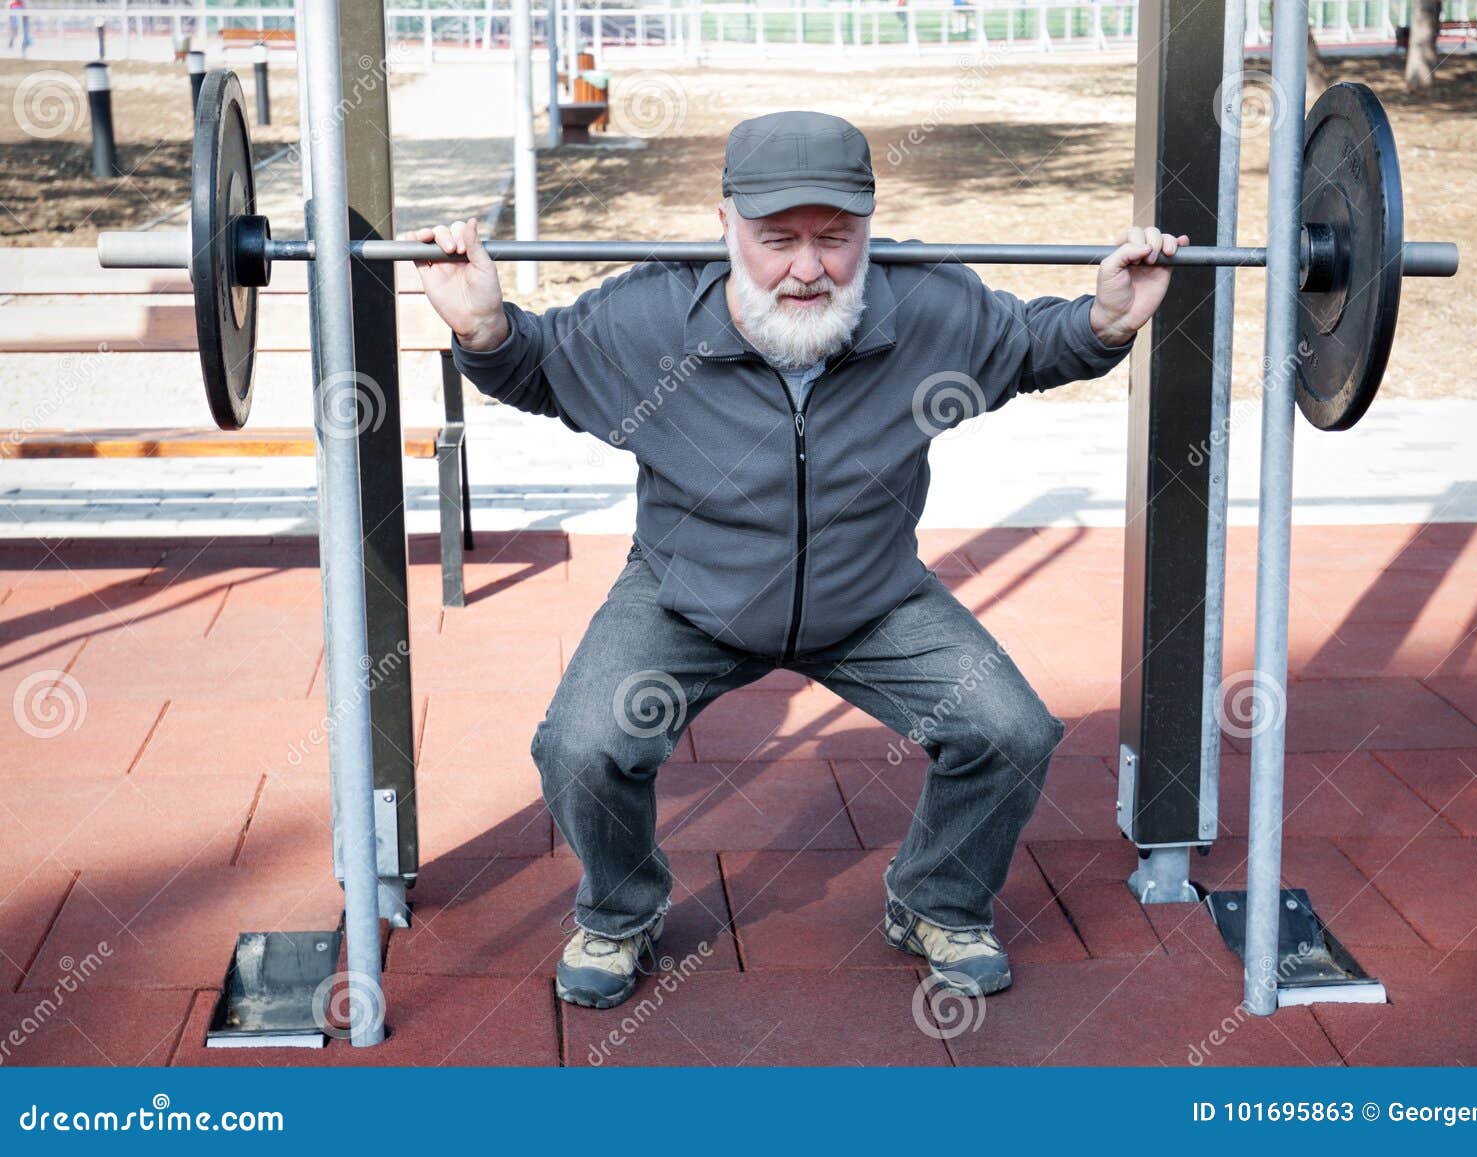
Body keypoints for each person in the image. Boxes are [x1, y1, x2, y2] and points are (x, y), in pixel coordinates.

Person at [408, 111, 1186, 1010]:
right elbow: (541, 368)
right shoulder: (652, 315)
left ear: (870, 228)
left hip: (871, 598)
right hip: (690, 595)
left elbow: (1027, 343)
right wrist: (486, 331)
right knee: (582, 746)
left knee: (1010, 731)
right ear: (727, 227)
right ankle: (621, 911)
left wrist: (1104, 322)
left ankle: (937, 899)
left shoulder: (925, 304)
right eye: (777, 240)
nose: (809, 268)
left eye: (836, 238)